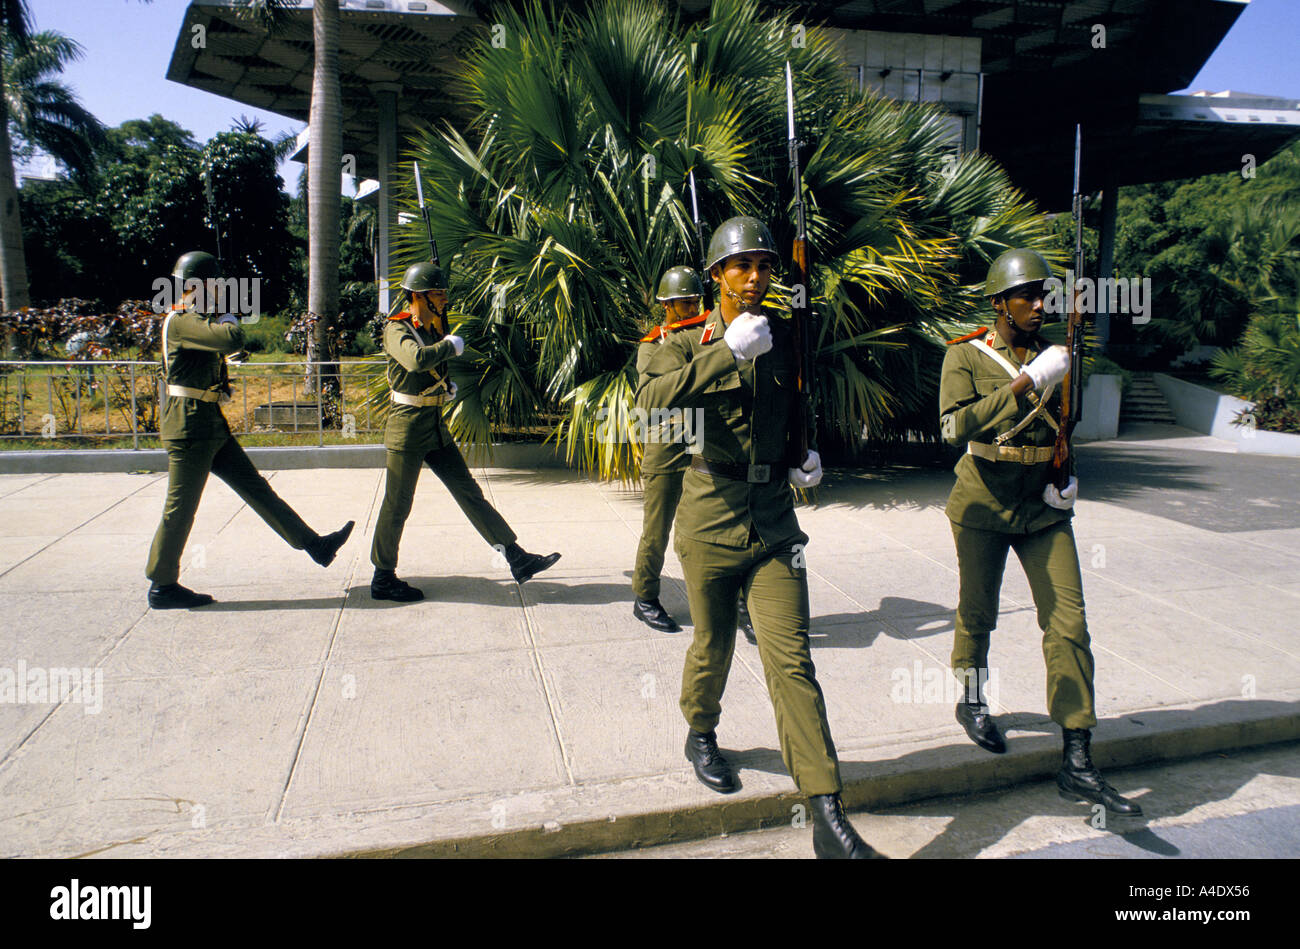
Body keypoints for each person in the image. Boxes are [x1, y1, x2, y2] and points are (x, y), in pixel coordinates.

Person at [637, 217, 882, 858]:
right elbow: (651, 403)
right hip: (709, 519)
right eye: (741, 266)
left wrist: (804, 455)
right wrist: (726, 353)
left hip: (774, 522)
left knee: (792, 661)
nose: (755, 277)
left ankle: (827, 813)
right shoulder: (685, 340)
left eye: (764, 266)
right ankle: (701, 730)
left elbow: (796, 408)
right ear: (716, 275)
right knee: (713, 645)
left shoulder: (787, 336)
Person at [939, 247, 1142, 816]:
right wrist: (1026, 383)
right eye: (1026, 295)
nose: (1037, 304)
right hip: (982, 501)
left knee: (1068, 623)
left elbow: (1065, 428)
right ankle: (972, 698)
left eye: (1044, 295)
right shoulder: (967, 355)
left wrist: (1067, 473)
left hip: (1043, 507)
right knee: (977, 611)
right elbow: (954, 426)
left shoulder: (1063, 353)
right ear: (999, 302)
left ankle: (1077, 757)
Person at [146, 251, 354, 609]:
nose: (219, 290)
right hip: (189, 427)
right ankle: (162, 584)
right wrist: (226, 314)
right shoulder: (181, 321)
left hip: (209, 423)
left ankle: (315, 546)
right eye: (214, 285)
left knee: (259, 492)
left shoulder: (198, 320)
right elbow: (231, 338)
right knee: (180, 508)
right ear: (197, 285)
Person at [369, 261, 560, 601]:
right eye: (437, 294)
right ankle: (383, 576)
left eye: (443, 293)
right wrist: (448, 347)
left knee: (469, 491)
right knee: (397, 503)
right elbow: (415, 361)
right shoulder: (397, 329)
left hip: (434, 425)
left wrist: (446, 385)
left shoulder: (432, 328)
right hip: (407, 428)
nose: (444, 299)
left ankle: (516, 557)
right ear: (418, 296)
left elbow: (431, 366)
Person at [632, 266, 756, 644]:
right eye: (682, 303)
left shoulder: (706, 336)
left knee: (725, 523)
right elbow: (659, 396)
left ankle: (738, 600)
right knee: (657, 527)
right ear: (666, 306)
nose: (689, 308)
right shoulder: (652, 345)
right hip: (667, 445)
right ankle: (645, 595)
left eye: (693, 302)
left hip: (704, 443)